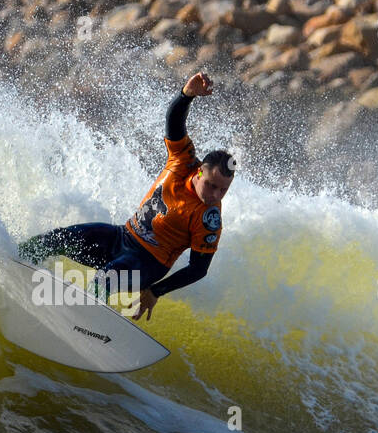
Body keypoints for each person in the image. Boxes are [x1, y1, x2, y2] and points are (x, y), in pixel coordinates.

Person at [17, 72, 234, 320]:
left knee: (105, 278)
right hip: (122, 236)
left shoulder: (209, 220)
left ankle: (83, 326)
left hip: (148, 264)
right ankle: (5, 268)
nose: (216, 195)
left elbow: (198, 269)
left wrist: (155, 291)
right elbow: (174, 123)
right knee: (56, 238)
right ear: (199, 171)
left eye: (223, 190)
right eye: (211, 185)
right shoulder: (182, 161)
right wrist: (186, 95)